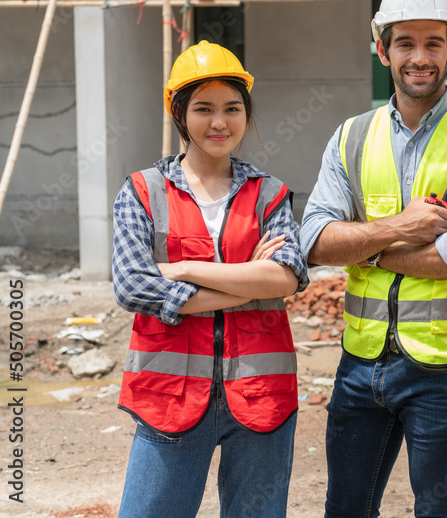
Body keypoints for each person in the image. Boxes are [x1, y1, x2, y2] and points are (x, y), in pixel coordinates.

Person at [300, 0, 447, 518]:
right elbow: (314, 241)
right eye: (405, 43)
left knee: (438, 511)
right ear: (382, 49)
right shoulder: (351, 136)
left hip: (445, 367)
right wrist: (398, 226)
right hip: (360, 360)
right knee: (345, 508)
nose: (419, 57)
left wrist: (362, 247)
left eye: (432, 43)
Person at [112, 40, 309, 518]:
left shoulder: (269, 194)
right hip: (169, 395)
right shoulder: (142, 192)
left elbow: (286, 277)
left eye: (232, 108)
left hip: (261, 394)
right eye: (203, 108)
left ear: (246, 113)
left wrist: (181, 269)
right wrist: (248, 281)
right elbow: (133, 287)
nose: (219, 122)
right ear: (179, 114)